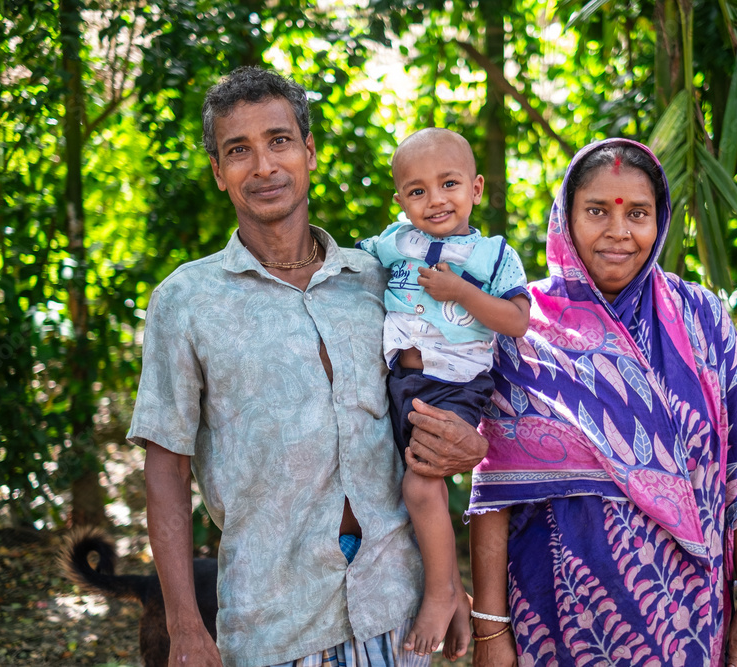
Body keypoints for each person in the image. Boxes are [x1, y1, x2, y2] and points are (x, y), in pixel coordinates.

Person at [126, 66, 488, 667]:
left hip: (396, 613)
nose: (264, 166)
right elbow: (166, 466)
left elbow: (450, 390)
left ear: (309, 151)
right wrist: (185, 626)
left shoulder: (378, 281)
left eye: (279, 141)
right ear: (219, 172)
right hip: (273, 626)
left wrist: (466, 449)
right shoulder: (186, 302)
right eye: (238, 151)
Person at [466, 138, 737, 667]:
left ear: (659, 221)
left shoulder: (702, 321)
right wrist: (491, 633)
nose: (619, 233)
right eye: (597, 211)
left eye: (638, 214)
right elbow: (494, 493)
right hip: (552, 626)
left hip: (688, 626)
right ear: (566, 218)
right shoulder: (521, 328)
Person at [358, 128, 531, 657]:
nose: (435, 200)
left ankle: (442, 591)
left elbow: (518, 321)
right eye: (417, 191)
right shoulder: (395, 241)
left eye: (449, 183)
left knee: (420, 486)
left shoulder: (493, 256)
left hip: (455, 384)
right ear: (400, 201)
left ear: (476, 188)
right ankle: (446, 590)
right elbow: (347, 264)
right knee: (396, 487)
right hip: (400, 383)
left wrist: (461, 291)